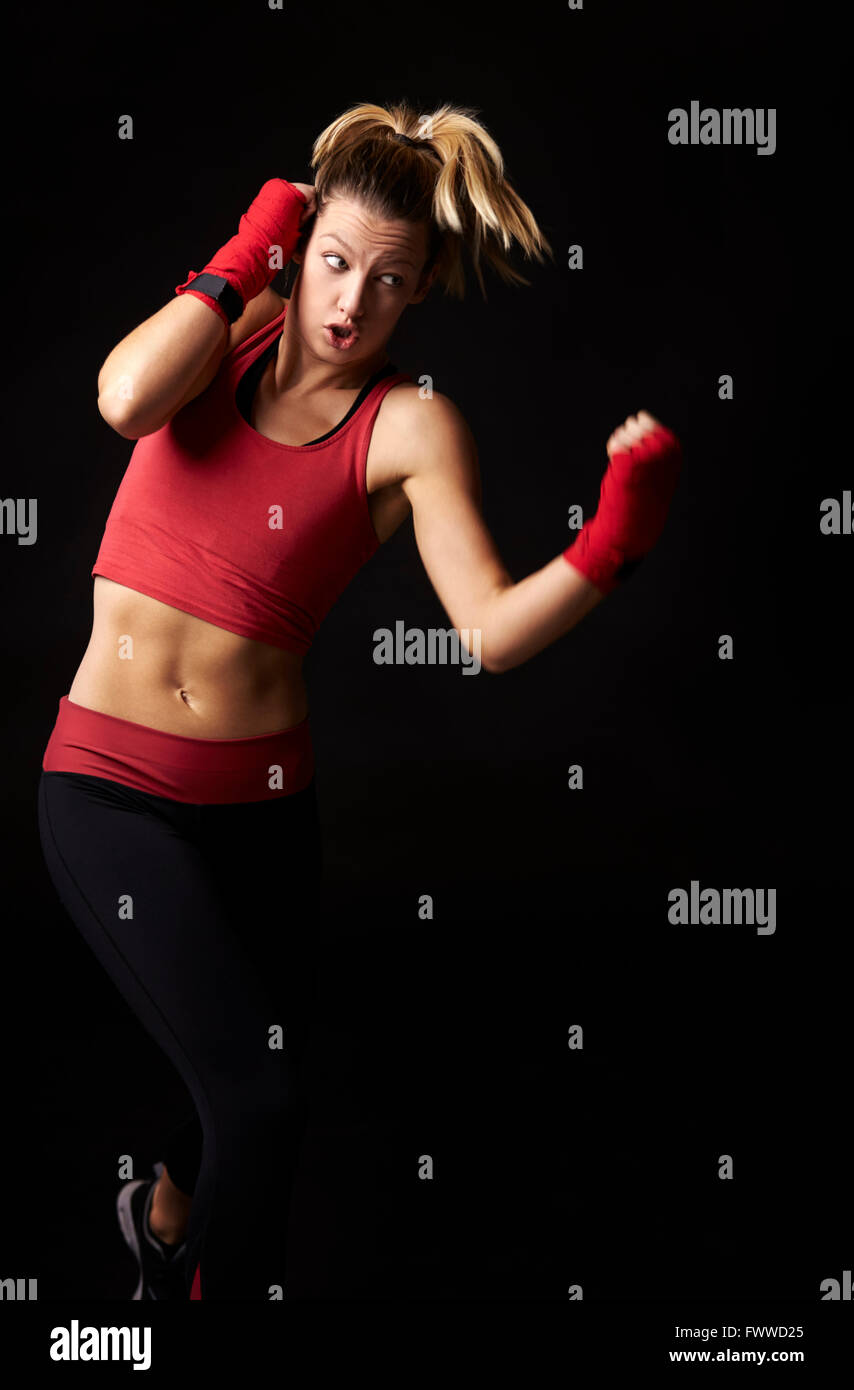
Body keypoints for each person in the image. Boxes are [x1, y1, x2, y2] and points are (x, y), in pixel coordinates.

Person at [37, 99, 682, 1302]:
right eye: (333, 261)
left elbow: (488, 634)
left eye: (387, 281)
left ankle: (164, 1217)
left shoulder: (411, 426)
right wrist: (246, 257)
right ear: (299, 247)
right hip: (108, 788)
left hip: (264, 812)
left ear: (419, 288)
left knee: (247, 1075)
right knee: (257, 1098)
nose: (349, 303)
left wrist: (612, 542)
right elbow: (124, 400)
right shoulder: (226, 330)